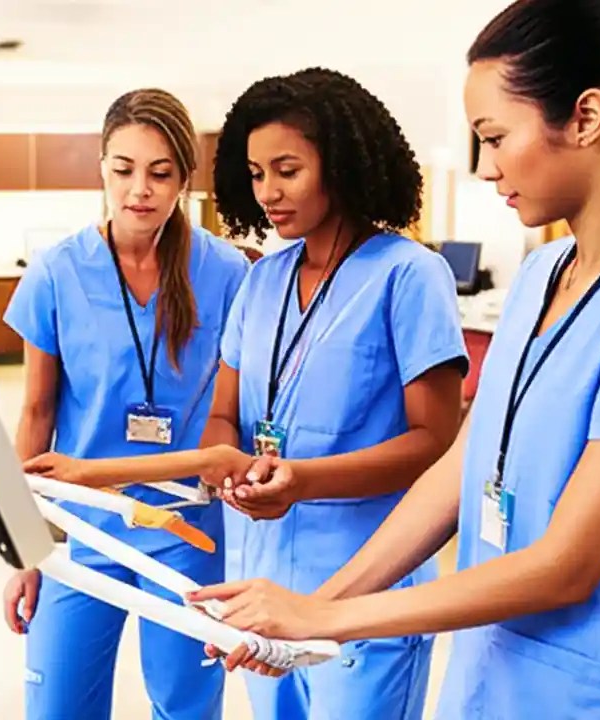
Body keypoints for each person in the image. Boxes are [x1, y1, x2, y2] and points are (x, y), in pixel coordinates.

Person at [186, 1, 600, 718]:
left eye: (494, 138)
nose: (487, 167)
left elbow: (568, 565)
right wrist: (315, 602)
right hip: (494, 666)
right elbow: (462, 467)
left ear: (586, 118)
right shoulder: (542, 274)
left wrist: (325, 621)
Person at [29, 67, 470, 720]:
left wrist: (301, 480)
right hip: (262, 584)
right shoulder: (263, 283)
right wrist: (230, 465)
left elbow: (435, 443)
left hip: (365, 584)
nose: (268, 192)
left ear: (339, 165)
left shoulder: (410, 276)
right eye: (257, 173)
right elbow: (224, 418)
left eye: (286, 170)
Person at [0, 87, 250, 720]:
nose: (140, 188)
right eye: (124, 169)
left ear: (184, 181)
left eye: (160, 173)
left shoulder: (226, 273)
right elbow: (36, 413)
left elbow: (238, 409)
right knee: (58, 705)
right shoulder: (57, 273)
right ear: (102, 167)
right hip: (84, 524)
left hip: (188, 526)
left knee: (186, 706)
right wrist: (23, 550)